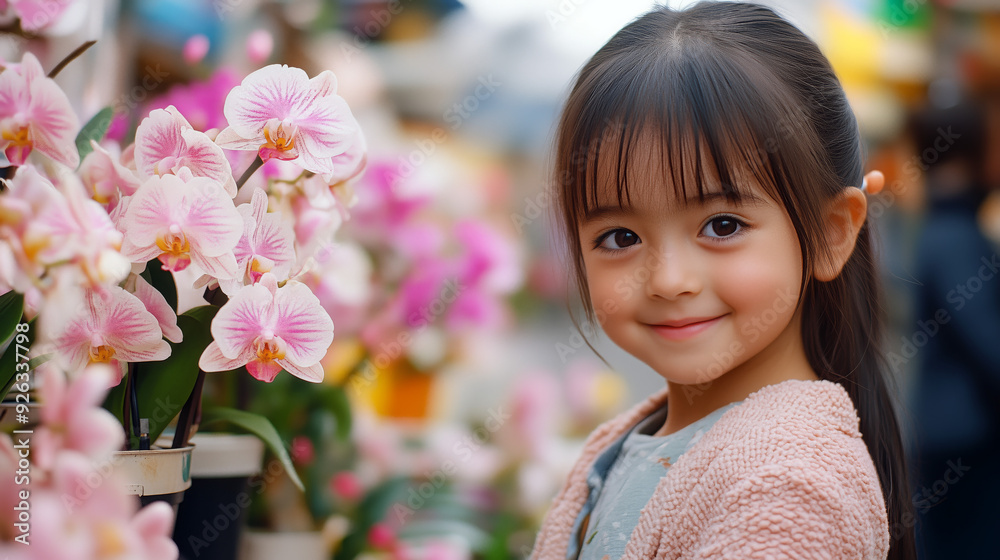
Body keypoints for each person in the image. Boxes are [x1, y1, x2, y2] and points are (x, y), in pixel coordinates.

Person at [530, 3, 914, 560]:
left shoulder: (791, 490)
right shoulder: (623, 445)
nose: (669, 281)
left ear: (831, 233)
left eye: (722, 226)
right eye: (620, 237)